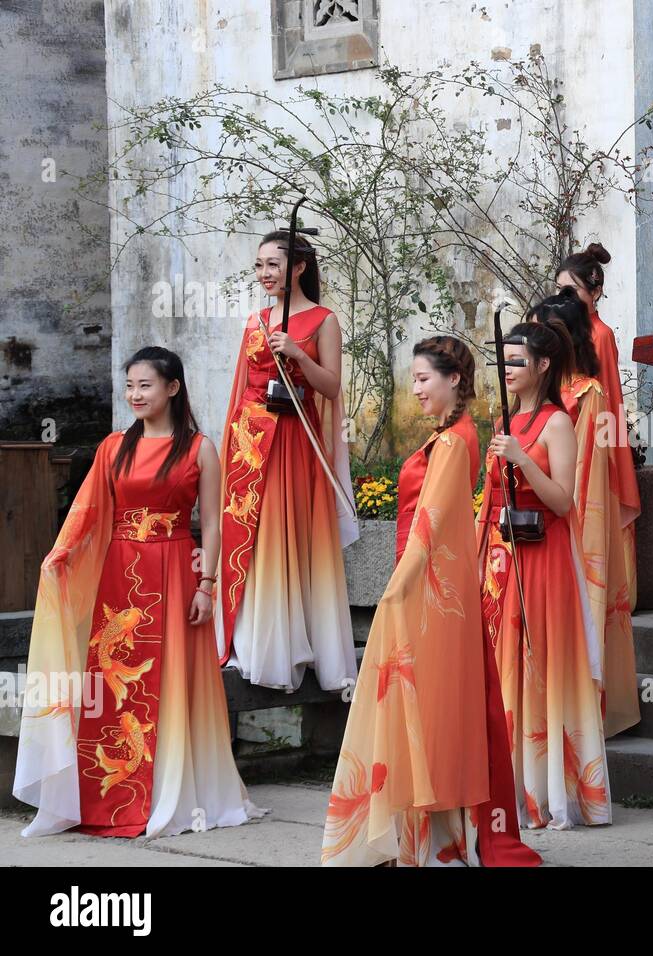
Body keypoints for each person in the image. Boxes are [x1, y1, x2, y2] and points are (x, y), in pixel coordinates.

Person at [14, 347, 262, 838]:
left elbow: (213, 526)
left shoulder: (199, 449)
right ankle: (100, 795)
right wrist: (61, 553)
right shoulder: (112, 447)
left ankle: (172, 788)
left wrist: (208, 585)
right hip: (120, 576)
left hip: (174, 572)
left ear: (172, 388)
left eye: (145, 385)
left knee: (171, 680)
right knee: (109, 681)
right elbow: (86, 510)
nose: (135, 395)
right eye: (130, 386)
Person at [323, 337, 540, 866]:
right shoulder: (454, 436)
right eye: (414, 379)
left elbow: (432, 522)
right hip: (434, 588)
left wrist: (398, 587)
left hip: (430, 593)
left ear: (454, 381)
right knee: (427, 708)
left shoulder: (454, 442)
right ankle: (431, 837)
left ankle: (431, 840)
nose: (416, 388)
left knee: (428, 708)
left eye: (424, 378)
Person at [478, 320, 610, 829]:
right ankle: (509, 785)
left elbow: (562, 500)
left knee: (542, 665)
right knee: (506, 661)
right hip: (505, 555)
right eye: (504, 360)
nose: (508, 369)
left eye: (517, 361)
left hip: (547, 554)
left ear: (543, 365)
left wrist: (521, 462)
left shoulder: (559, 421)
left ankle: (551, 788)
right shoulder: (505, 418)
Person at [216, 230, 357, 692]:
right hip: (250, 442)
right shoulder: (256, 321)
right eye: (259, 266)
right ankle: (253, 643)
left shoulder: (324, 320)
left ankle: (297, 643)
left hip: (295, 439)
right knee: (252, 536)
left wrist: (297, 352)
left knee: (288, 534)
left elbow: (331, 388)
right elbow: (241, 389)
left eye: (272, 265)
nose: (264, 274)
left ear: (298, 267)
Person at [530, 290, 640, 738]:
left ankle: (582, 715)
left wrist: (570, 517)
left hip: (575, 514)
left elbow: (588, 469)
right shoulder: (541, 391)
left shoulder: (589, 393)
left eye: (545, 333)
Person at [555, 243, 641, 606]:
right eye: (560, 291)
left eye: (572, 292)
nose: (564, 299)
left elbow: (609, 397)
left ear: (595, 293)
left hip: (588, 437)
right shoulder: (551, 326)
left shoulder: (600, 335)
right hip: (555, 431)